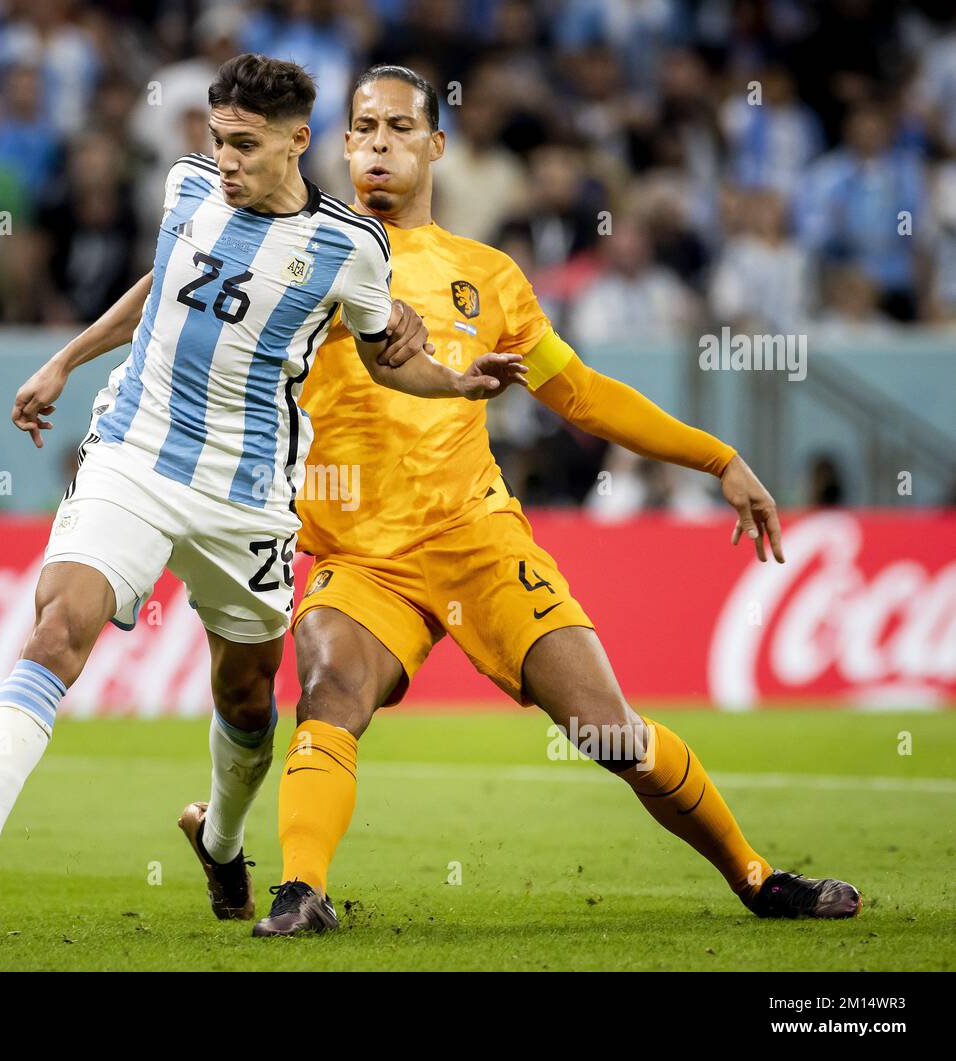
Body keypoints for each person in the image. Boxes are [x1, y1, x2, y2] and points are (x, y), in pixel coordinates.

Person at [0, 53, 525, 931]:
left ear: (299, 142)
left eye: (246, 145)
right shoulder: (187, 187)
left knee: (247, 694)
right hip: (134, 457)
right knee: (59, 623)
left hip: (250, 495)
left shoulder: (349, 246)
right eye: (216, 139)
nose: (224, 160)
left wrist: (458, 383)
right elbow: (159, 287)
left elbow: (389, 355)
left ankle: (222, 844)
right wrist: (65, 360)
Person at [247, 66, 860, 937]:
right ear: (341, 144)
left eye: (398, 127)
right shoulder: (299, 256)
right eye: (363, 127)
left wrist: (717, 456)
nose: (379, 143)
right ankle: (301, 889)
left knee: (611, 733)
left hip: (479, 542)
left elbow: (582, 396)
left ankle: (757, 875)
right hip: (359, 555)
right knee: (329, 687)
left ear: (435, 147)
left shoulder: (487, 276)